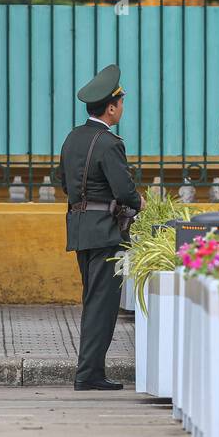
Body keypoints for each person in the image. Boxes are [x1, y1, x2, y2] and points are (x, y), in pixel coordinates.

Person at [61, 64, 142, 391]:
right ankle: (89, 374)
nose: (122, 107)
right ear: (111, 107)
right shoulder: (110, 144)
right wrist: (138, 202)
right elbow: (124, 191)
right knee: (102, 304)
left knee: (93, 299)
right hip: (107, 232)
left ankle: (90, 371)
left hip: (79, 229)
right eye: (121, 102)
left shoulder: (72, 138)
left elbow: (63, 182)